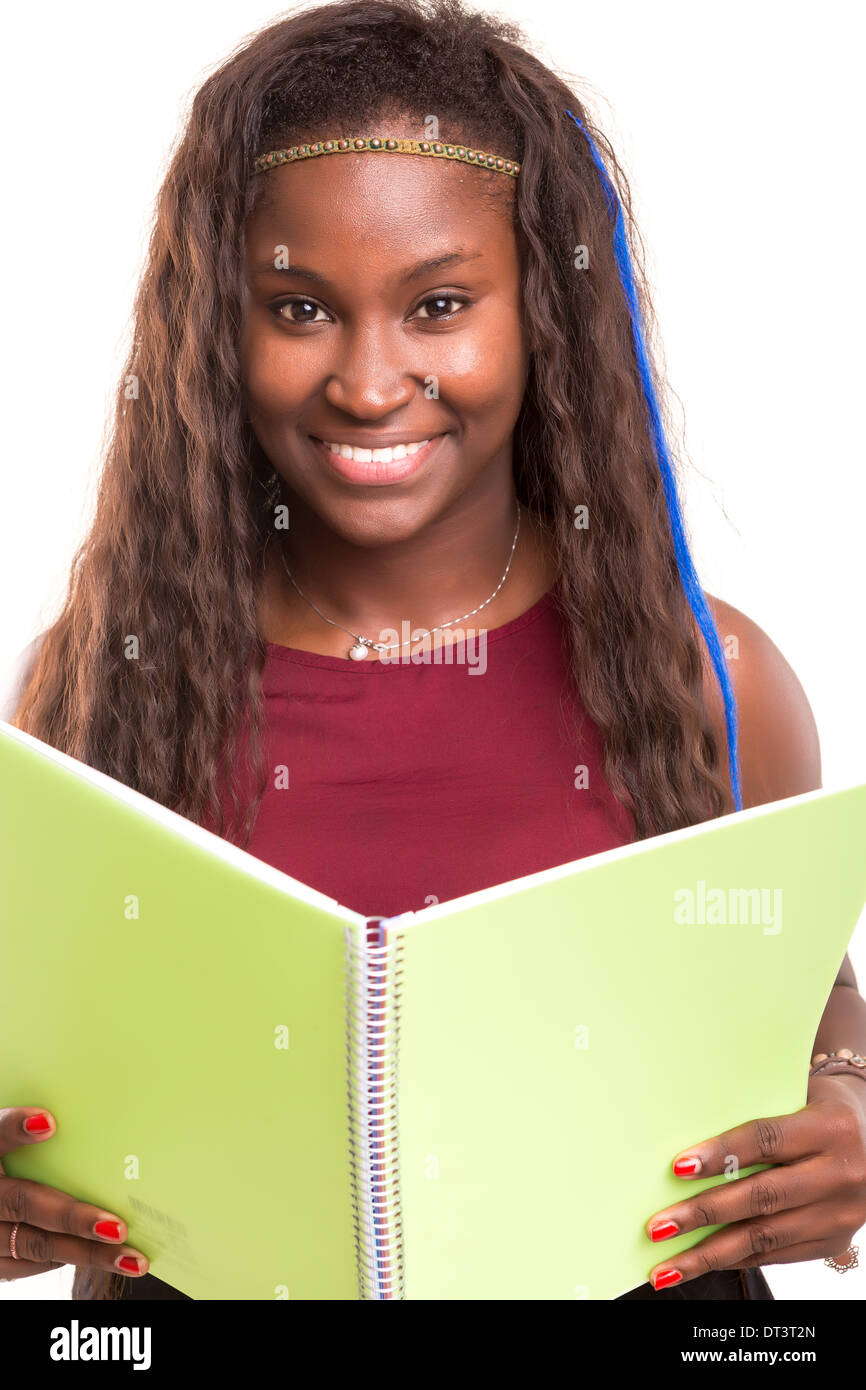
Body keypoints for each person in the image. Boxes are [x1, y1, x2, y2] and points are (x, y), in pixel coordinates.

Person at [3, 0, 865, 1303]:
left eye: (439, 304)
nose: (368, 382)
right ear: (218, 326)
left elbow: (793, 983)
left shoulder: (712, 678)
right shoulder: (93, 691)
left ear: (541, 314)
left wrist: (846, 1101)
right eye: (299, 308)